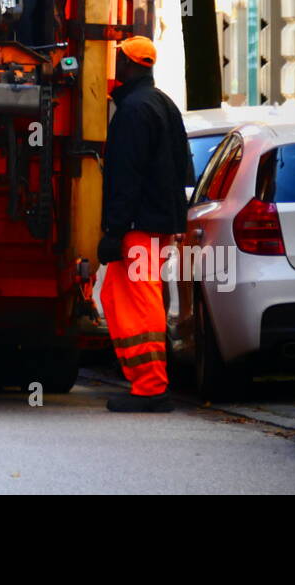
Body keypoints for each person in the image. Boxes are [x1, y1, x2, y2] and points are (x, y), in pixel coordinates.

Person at [97, 35, 190, 413]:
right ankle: (145, 382)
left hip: (138, 224)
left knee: (137, 300)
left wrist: (115, 231)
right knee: (124, 297)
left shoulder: (134, 111)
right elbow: (183, 167)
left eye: (119, 60)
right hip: (155, 221)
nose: (115, 66)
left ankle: (150, 386)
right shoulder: (163, 104)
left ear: (131, 65)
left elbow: (126, 177)